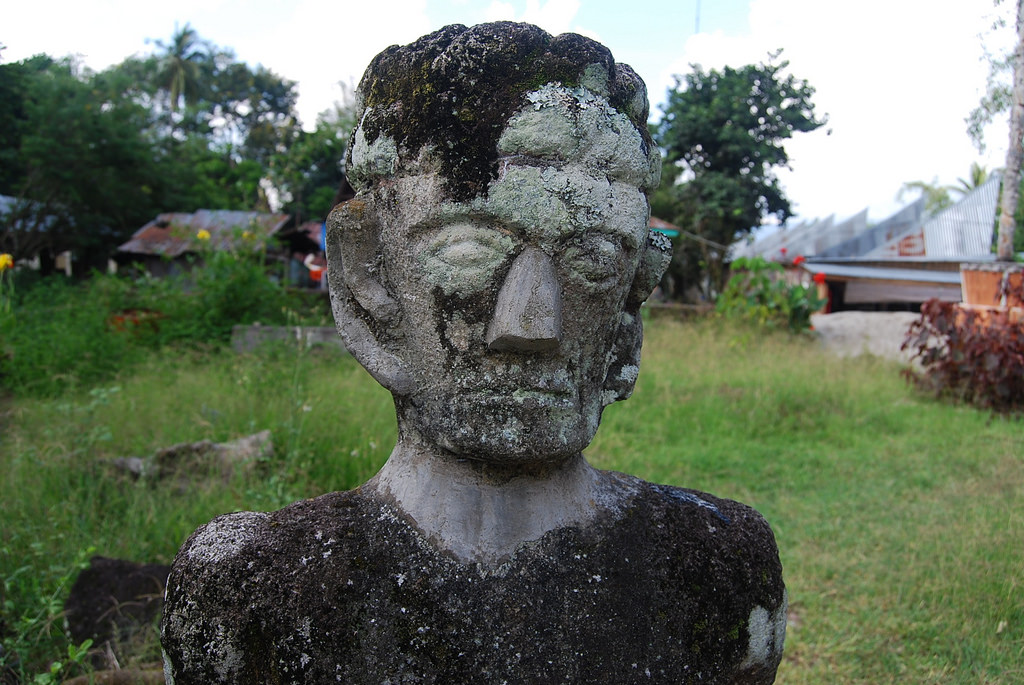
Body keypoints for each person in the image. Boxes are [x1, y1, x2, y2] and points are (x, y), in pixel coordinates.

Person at [161, 23, 786, 684]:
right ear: (369, 284)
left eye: (593, 259)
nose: (531, 324)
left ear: (629, 309)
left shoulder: (717, 569)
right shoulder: (249, 593)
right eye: (468, 251)